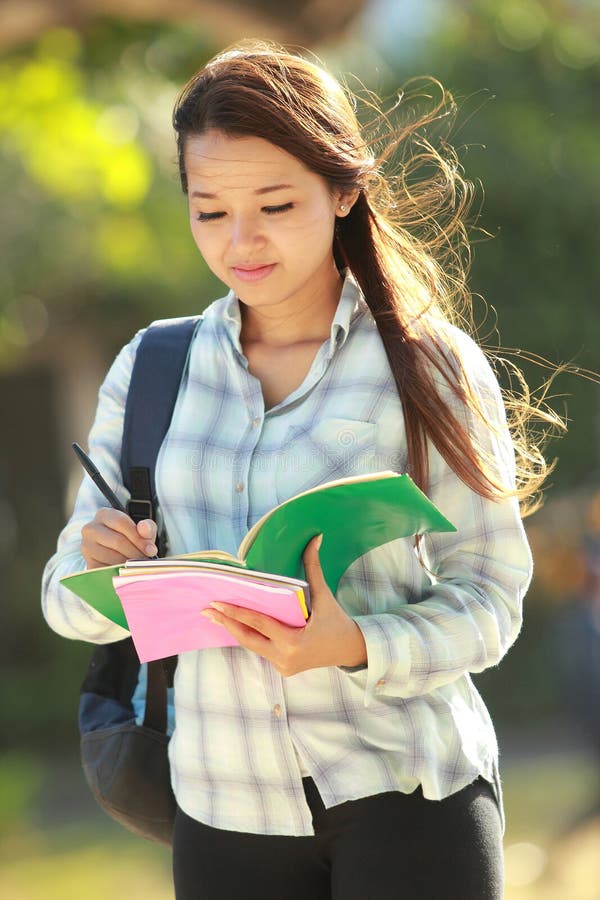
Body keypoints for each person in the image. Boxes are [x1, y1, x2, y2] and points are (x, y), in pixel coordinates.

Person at [42, 41, 550, 899]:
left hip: (408, 795)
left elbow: (492, 599)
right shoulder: (152, 368)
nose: (242, 242)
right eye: (209, 212)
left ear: (344, 190)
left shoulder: (428, 366)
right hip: (221, 810)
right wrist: (101, 569)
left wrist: (356, 644)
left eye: (275, 204)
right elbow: (63, 599)